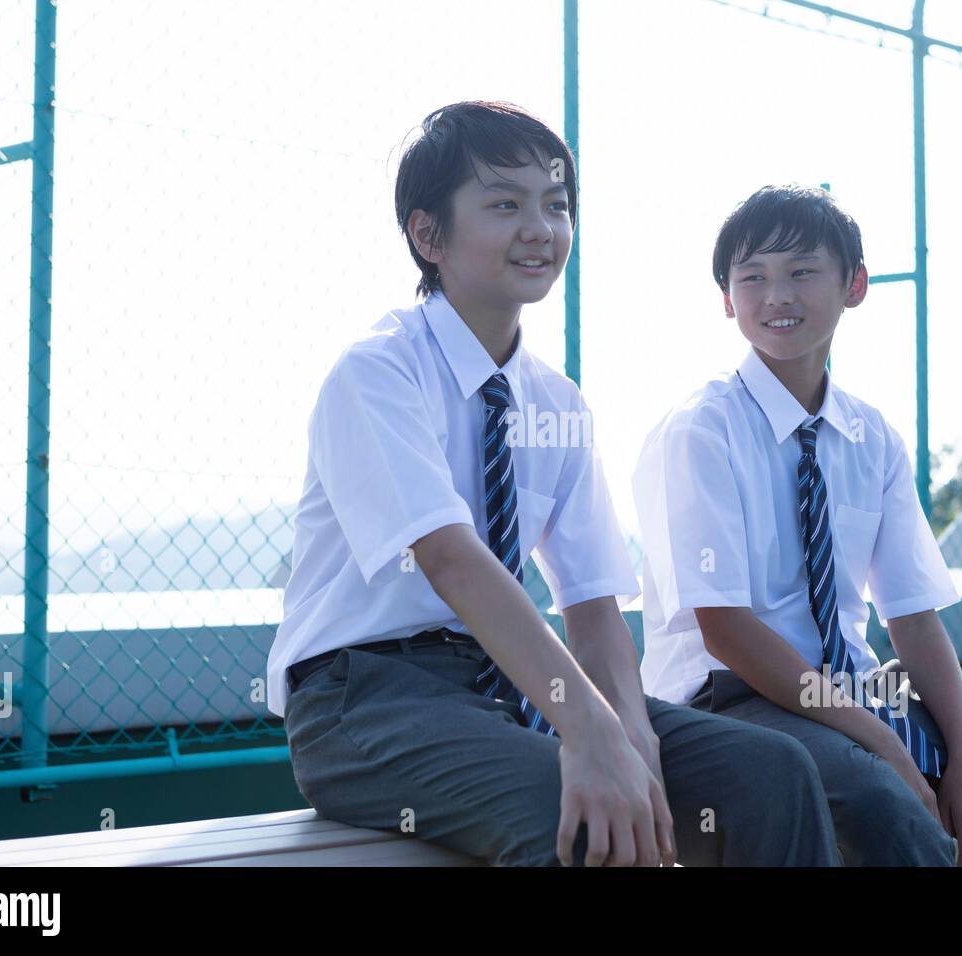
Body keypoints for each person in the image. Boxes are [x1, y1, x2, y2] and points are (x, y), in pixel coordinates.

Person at [265, 104, 838, 867]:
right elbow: (453, 560)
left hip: (510, 686)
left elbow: (594, 608)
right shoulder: (378, 373)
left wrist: (633, 740)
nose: (540, 227)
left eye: (557, 204)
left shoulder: (557, 403)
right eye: (505, 204)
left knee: (772, 772)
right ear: (427, 236)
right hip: (364, 697)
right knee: (574, 818)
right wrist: (589, 733)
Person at [632, 183, 962, 866]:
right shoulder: (700, 429)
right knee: (880, 798)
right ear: (727, 298)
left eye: (802, 271)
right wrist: (885, 743)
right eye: (753, 277)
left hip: (858, 692)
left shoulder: (871, 437)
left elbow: (913, 617)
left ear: (854, 285)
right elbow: (725, 627)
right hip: (728, 702)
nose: (777, 296)